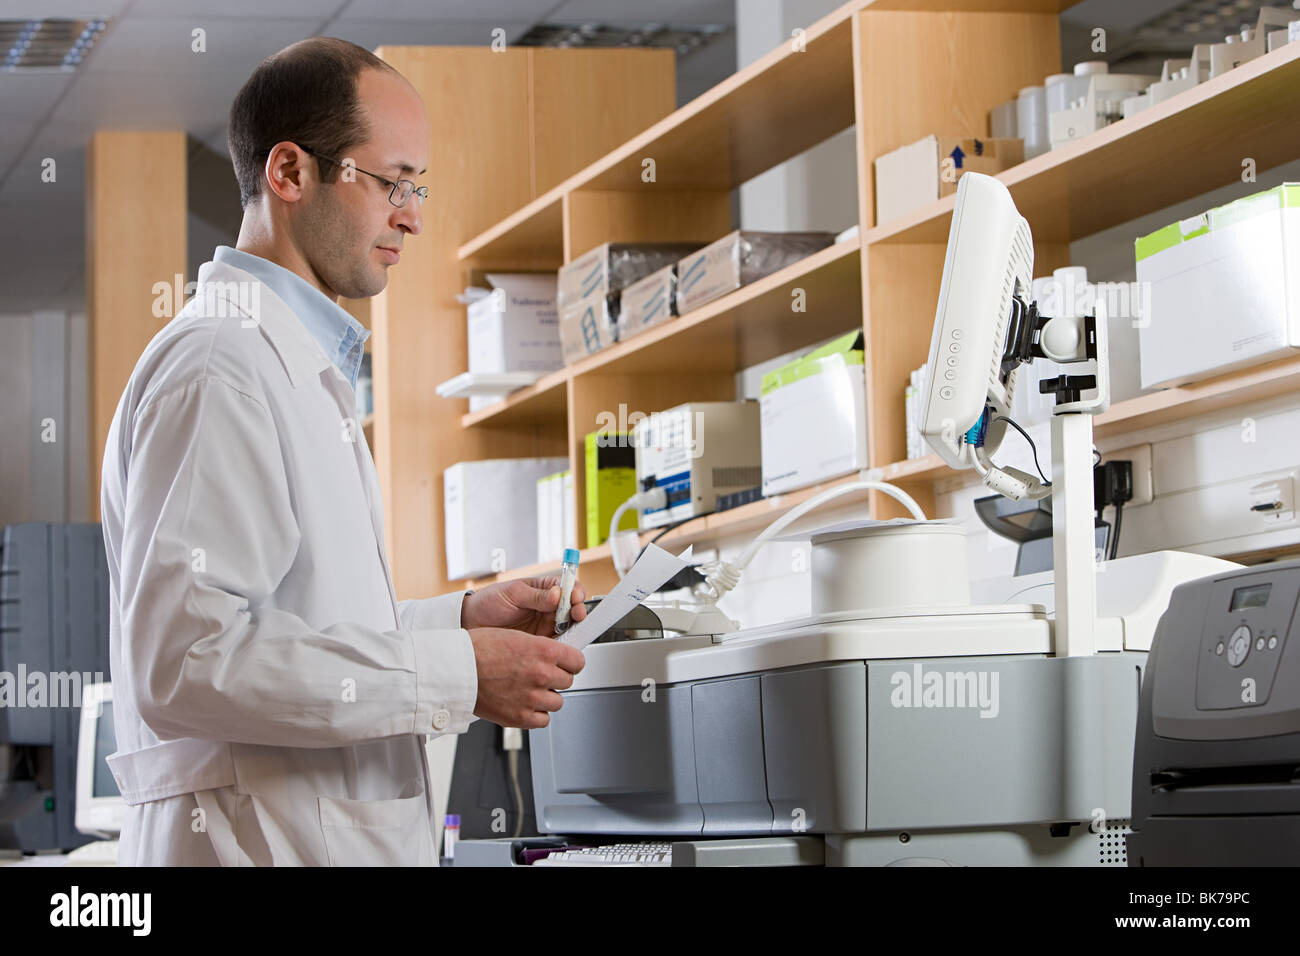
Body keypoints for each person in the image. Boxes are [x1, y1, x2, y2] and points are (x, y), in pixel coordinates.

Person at [100, 37, 586, 866]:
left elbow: (302, 631)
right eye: (394, 182)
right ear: (289, 174)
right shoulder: (223, 364)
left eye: (420, 186)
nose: (414, 215)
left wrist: (459, 622)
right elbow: (187, 661)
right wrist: (459, 673)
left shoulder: (292, 364)